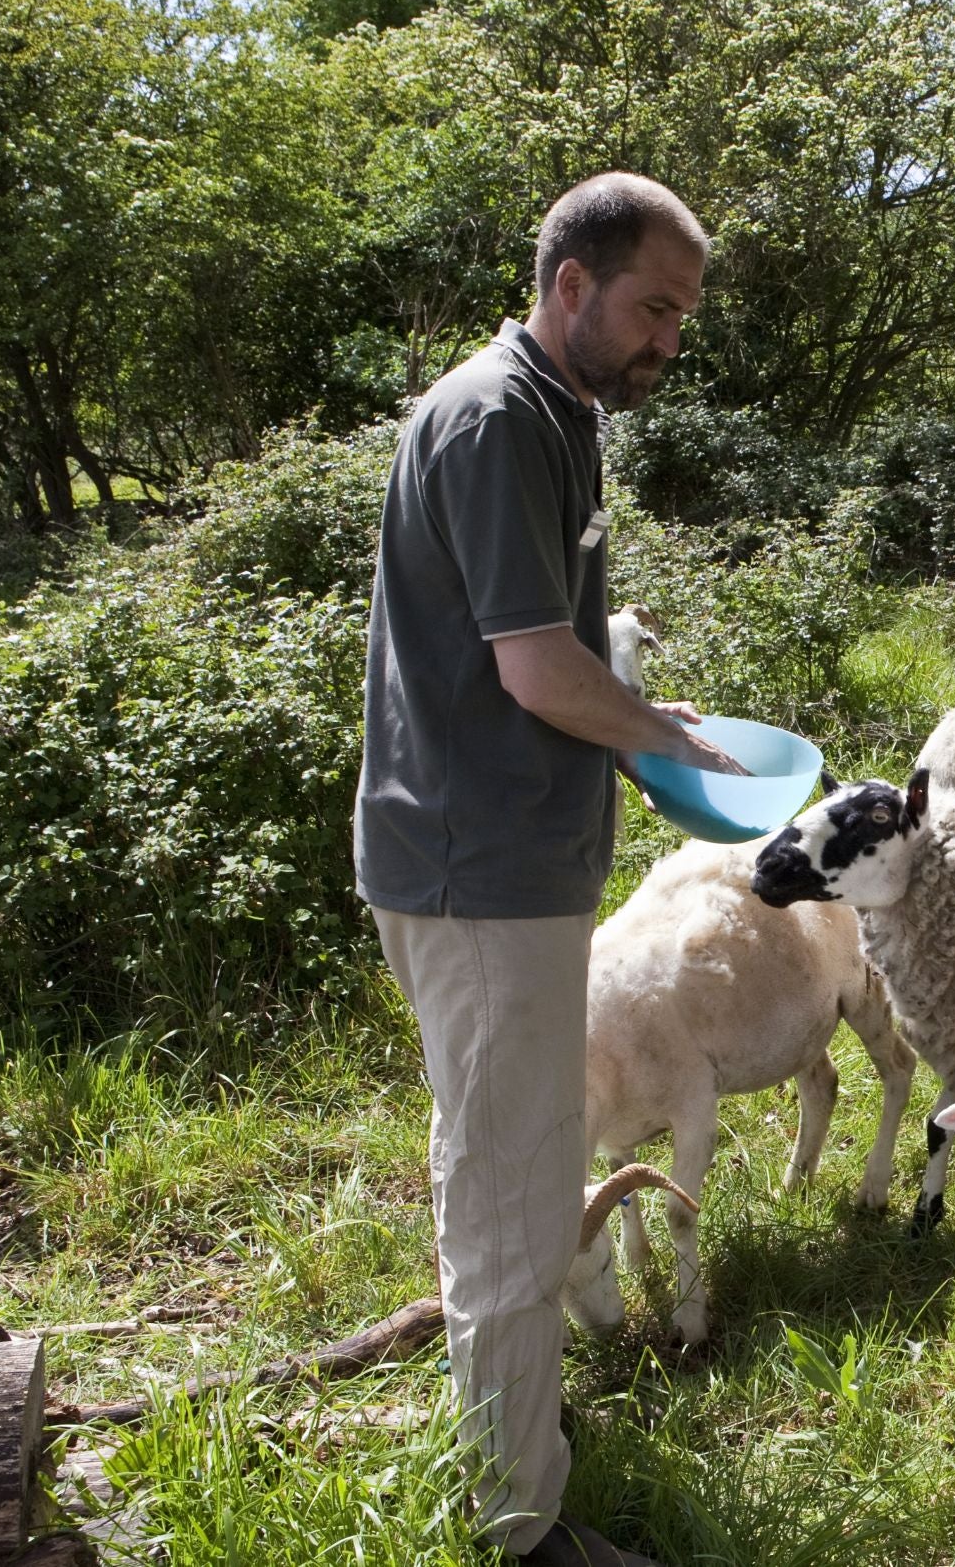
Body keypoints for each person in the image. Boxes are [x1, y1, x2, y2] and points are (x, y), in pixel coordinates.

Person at [355, 172, 744, 1567]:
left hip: (503, 858)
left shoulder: (562, 414)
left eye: (683, 321)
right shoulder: (499, 419)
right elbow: (536, 669)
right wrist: (666, 739)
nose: (667, 345)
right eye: (652, 308)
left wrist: (646, 727)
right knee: (516, 1195)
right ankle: (517, 1528)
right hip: (477, 873)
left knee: (504, 1165)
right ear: (568, 283)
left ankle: (505, 1433)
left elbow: (551, 659)